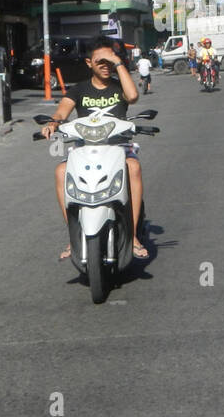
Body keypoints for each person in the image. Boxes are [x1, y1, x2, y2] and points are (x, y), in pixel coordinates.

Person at [40, 38, 148, 261]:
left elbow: (134, 96)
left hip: (118, 147)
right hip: (85, 148)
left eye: (110, 61)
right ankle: (74, 237)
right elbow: (61, 112)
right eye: (101, 61)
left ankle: (134, 235)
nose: (106, 65)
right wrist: (52, 123)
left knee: (133, 167)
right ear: (89, 63)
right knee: (60, 172)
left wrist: (118, 62)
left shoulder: (120, 86)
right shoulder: (79, 89)